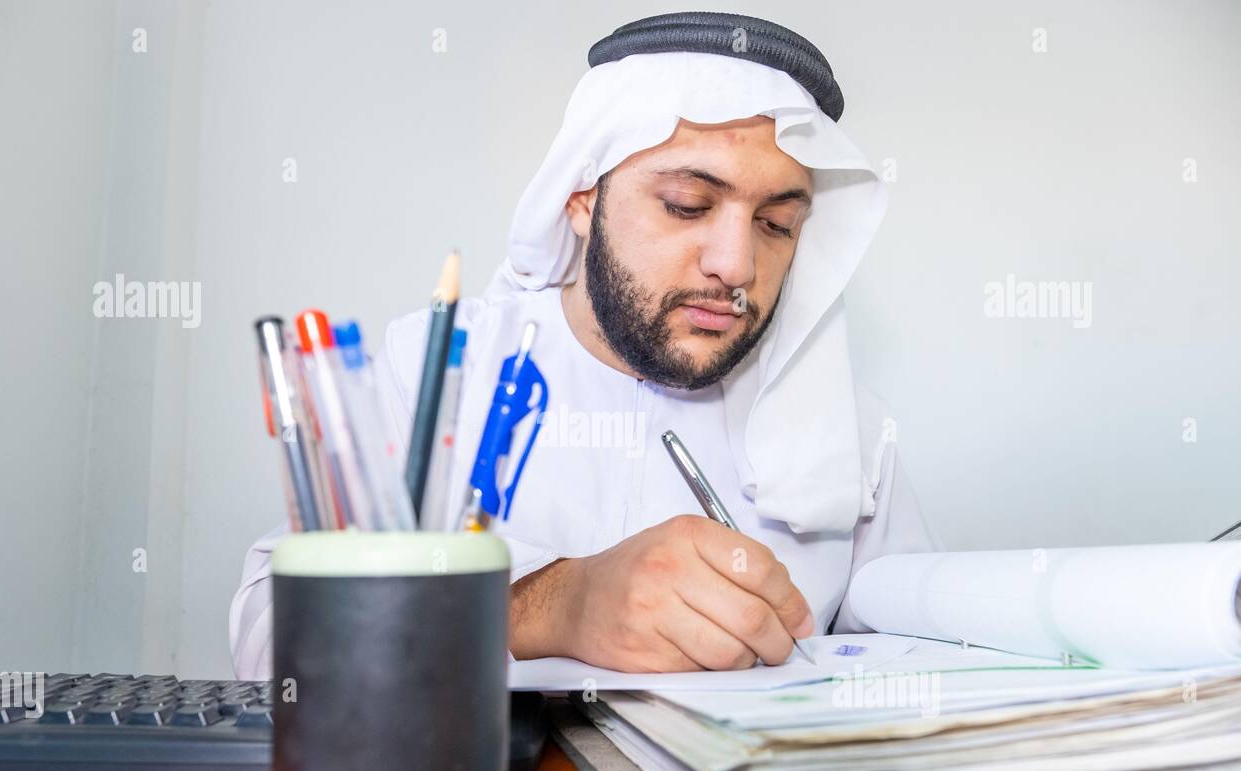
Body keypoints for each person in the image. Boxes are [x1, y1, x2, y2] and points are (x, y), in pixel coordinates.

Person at [229, 12, 940, 680]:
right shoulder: (437, 370)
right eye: (688, 205)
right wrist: (551, 605)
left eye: (776, 225)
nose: (737, 265)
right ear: (581, 199)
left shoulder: (850, 429)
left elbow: (926, 660)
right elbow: (270, 637)